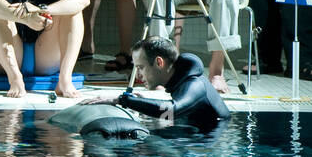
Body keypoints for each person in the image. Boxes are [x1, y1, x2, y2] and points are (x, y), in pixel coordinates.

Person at [80, 36, 230, 134]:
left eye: (141, 67)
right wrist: (142, 105)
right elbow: (172, 114)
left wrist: (123, 100)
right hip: (196, 135)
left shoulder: (195, 85)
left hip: (210, 142)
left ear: (159, 62)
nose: (138, 75)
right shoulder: (181, 81)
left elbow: (172, 109)